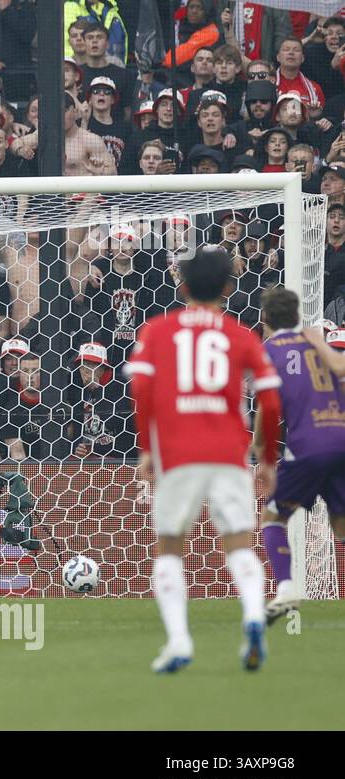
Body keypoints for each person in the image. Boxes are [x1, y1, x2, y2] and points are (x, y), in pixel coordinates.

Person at [125, 246, 283, 674]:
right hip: (229, 453)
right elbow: (269, 398)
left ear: (182, 285)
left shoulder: (158, 330)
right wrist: (267, 457)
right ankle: (252, 615)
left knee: (170, 547)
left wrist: (146, 449)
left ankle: (179, 640)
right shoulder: (240, 335)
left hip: (177, 455)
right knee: (237, 543)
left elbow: (140, 390)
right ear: (229, 288)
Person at [255, 287, 345, 626]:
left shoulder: (269, 352)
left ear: (265, 320)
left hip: (308, 444)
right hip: (340, 438)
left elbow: (269, 406)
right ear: (297, 316)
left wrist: (261, 450)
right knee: (341, 525)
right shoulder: (318, 343)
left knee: (274, 516)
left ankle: (288, 587)